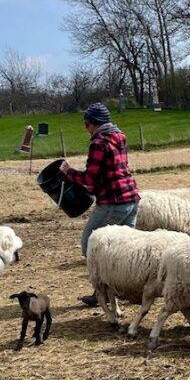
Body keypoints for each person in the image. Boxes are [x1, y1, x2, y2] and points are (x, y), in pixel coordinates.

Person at [59, 102, 140, 263]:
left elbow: (89, 178)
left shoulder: (98, 142)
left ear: (94, 122)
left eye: (86, 124)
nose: (86, 128)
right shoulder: (119, 137)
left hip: (113, 201)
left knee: (89, 245)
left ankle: (104, 275)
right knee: (126, 248)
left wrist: (69, 172)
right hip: (132, 199)